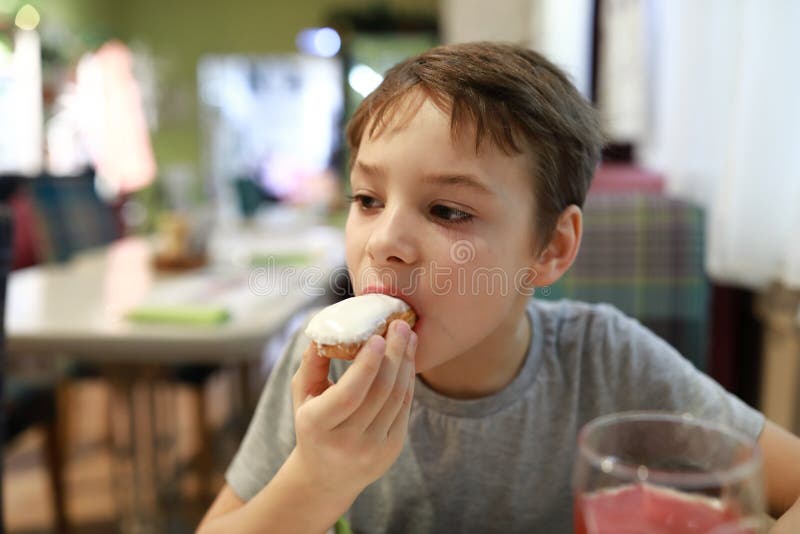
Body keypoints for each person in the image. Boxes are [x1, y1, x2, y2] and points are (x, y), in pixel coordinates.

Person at [198, 42, 800, 533]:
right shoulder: (322, 374)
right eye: (367, 199)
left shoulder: (605, 360)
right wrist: (317, 478)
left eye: (448, 211)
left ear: (551, 248)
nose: (385, 241)